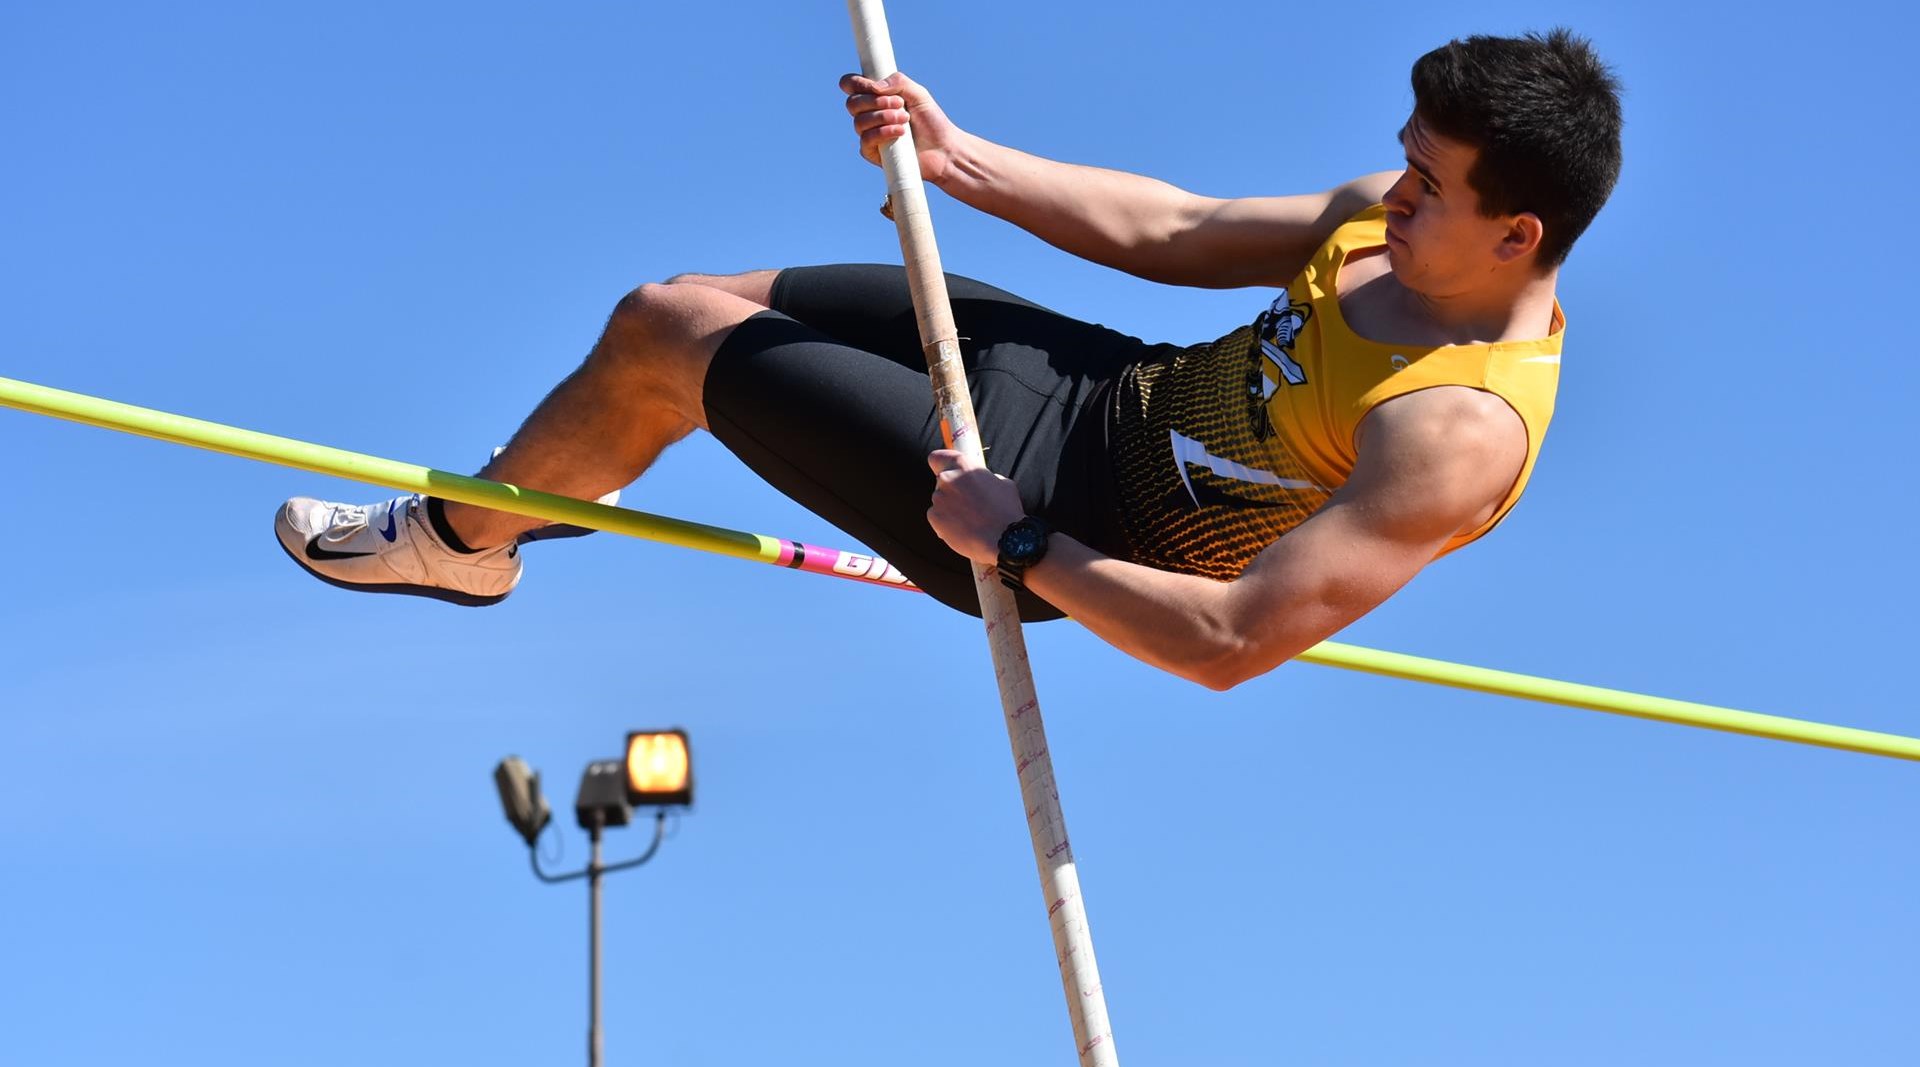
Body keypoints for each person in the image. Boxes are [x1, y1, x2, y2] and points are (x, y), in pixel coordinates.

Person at [275, 30, 1622, 691]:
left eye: (1427, 185)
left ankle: (455, 540)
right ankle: (553, 489)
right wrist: (956, 152)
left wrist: (1022, 546)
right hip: (1099, 388)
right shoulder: (1374, 225)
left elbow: (1231, 643)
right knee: (665, 311)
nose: (1393, 190)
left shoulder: (1455, 432)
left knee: (682, 348)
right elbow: (1175, 229)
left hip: (1069, 523)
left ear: (1518, 234)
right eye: (1402, 155)